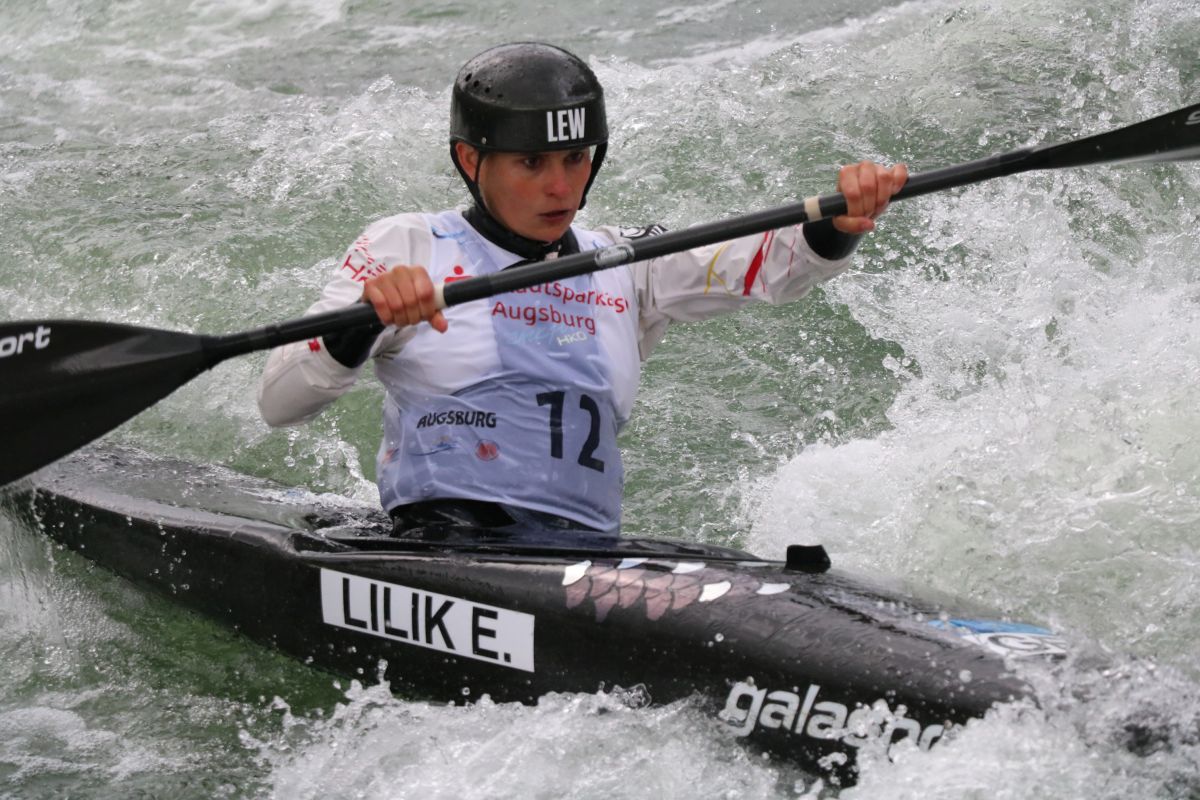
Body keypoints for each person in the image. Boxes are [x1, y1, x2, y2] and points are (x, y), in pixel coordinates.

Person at [258, 42, 906, 542]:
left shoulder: (624, 261)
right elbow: (280, 402)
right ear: (469, 160)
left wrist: (836, 225)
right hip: (437, 545)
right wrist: (360, 324)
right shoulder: (408, 246)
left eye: (576, 158)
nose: (560, 187)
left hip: (581, 557)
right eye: (531, 162)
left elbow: (765, 263)